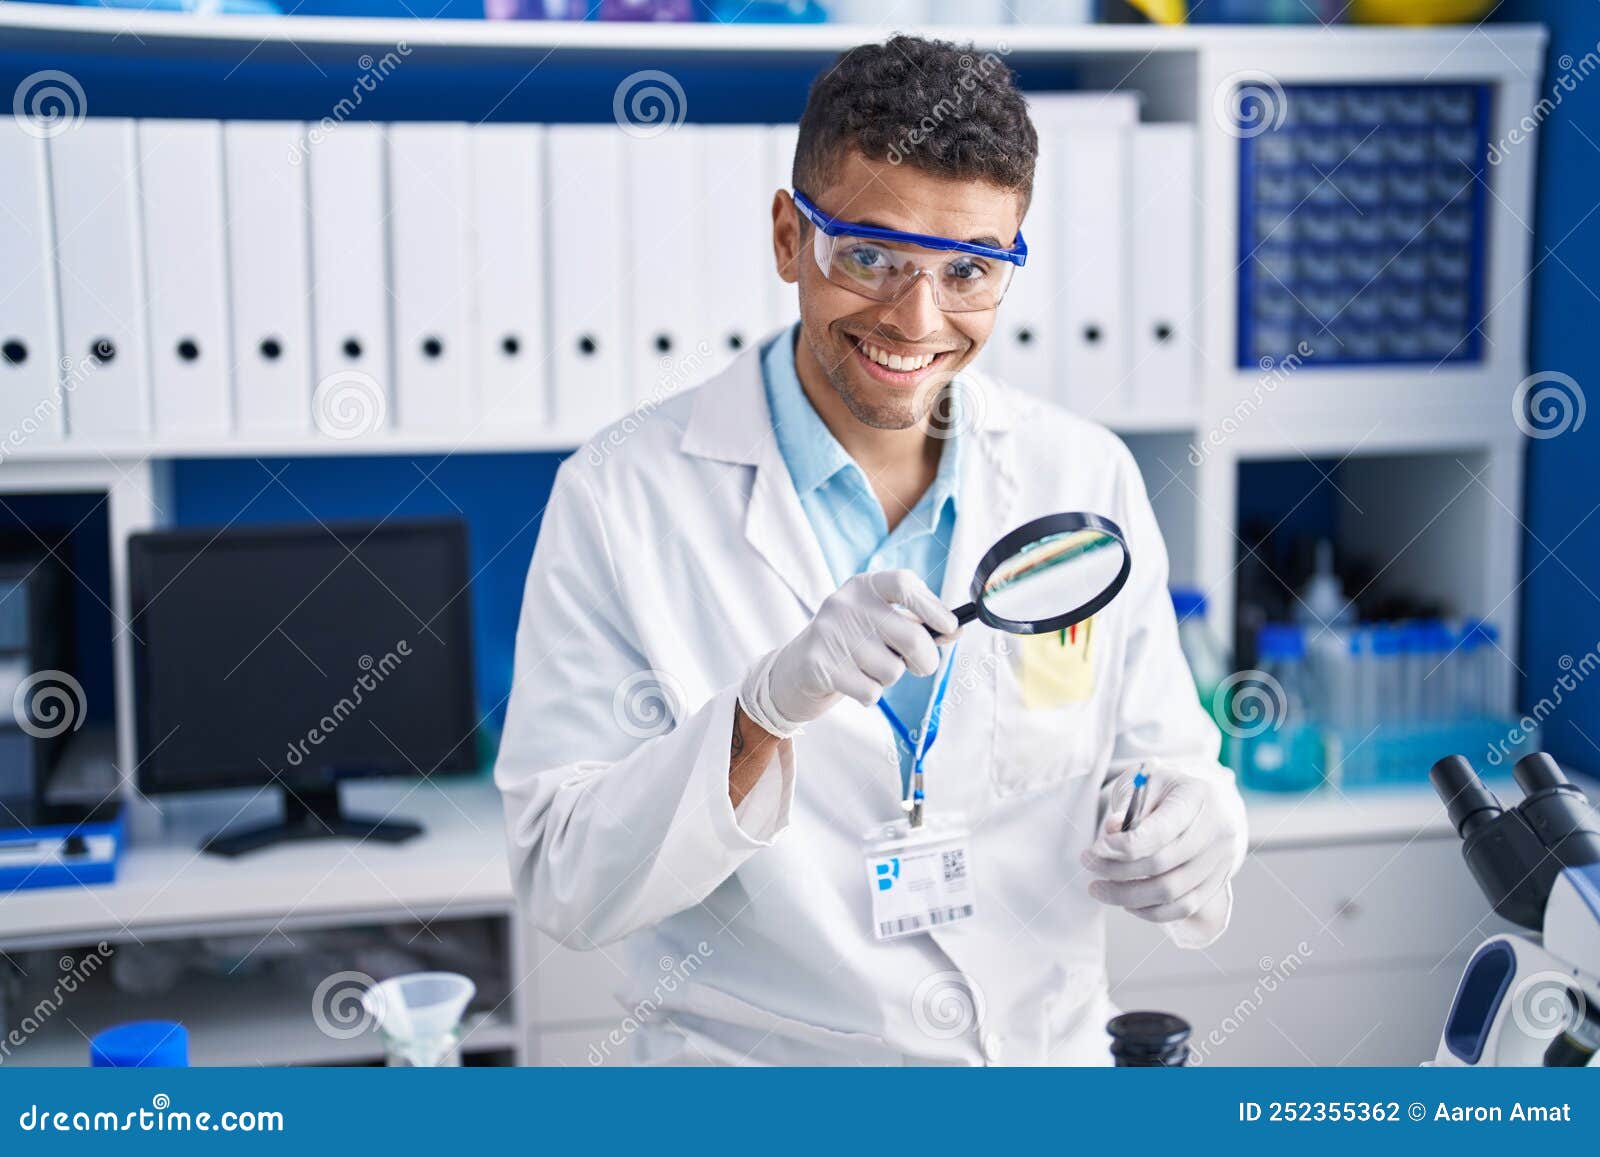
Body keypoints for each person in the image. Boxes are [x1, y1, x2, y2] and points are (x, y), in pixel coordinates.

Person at [496, 34, 1247, 1065]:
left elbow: (1167, 760)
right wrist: (762, 712)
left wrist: (1195, 829)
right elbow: (565, 878)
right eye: (870, 257)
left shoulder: (1084, 476)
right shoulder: (621, 493)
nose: (916, 319)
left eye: (971, 271)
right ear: (785, 235)